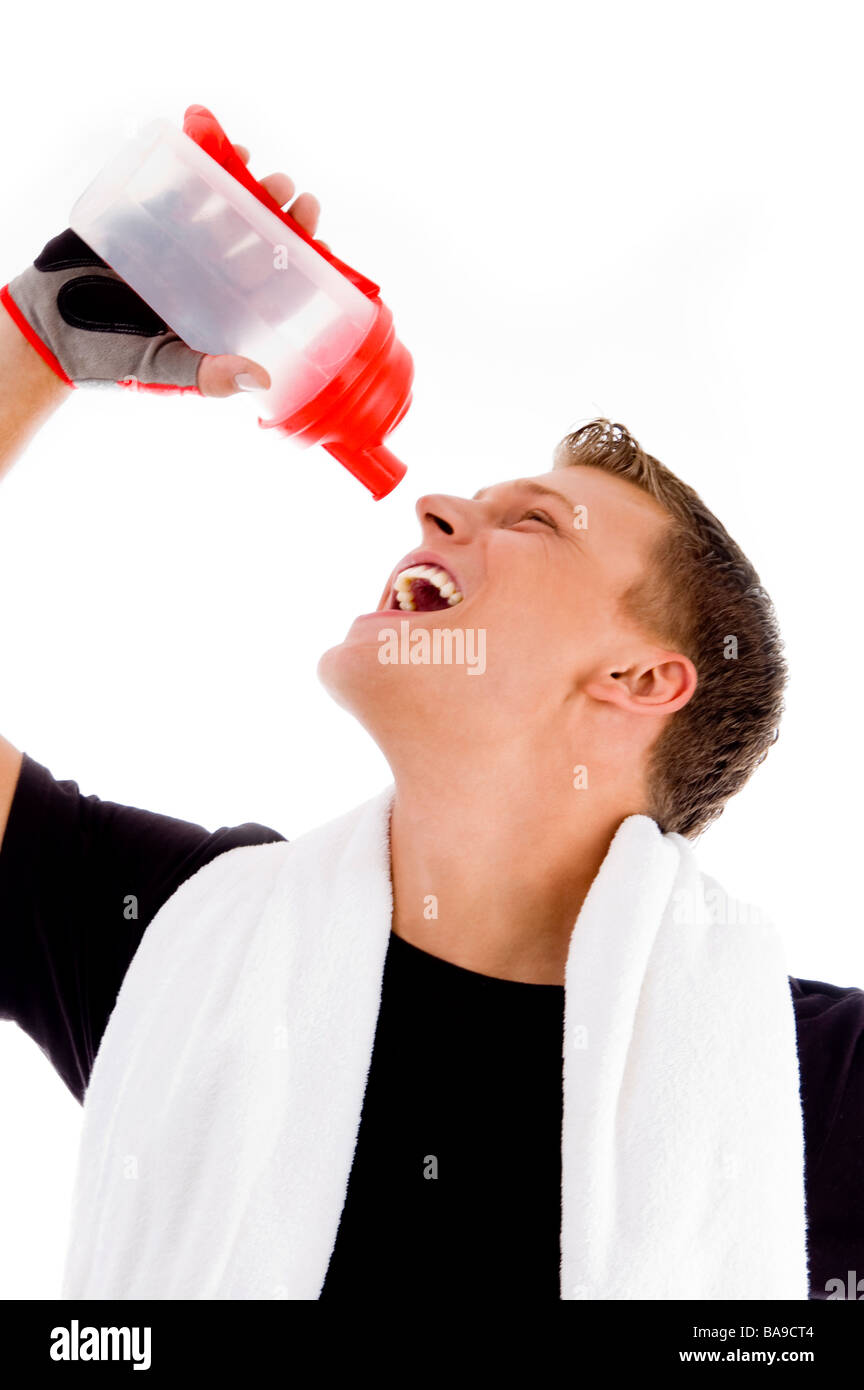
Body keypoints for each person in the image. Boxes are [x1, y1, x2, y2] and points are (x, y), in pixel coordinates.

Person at [0, 138, 861, 1303]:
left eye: (539, 521)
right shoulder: (183, 942)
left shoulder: (822, 1086)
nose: (438, 502)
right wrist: (32, 347)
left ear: (642, 680)